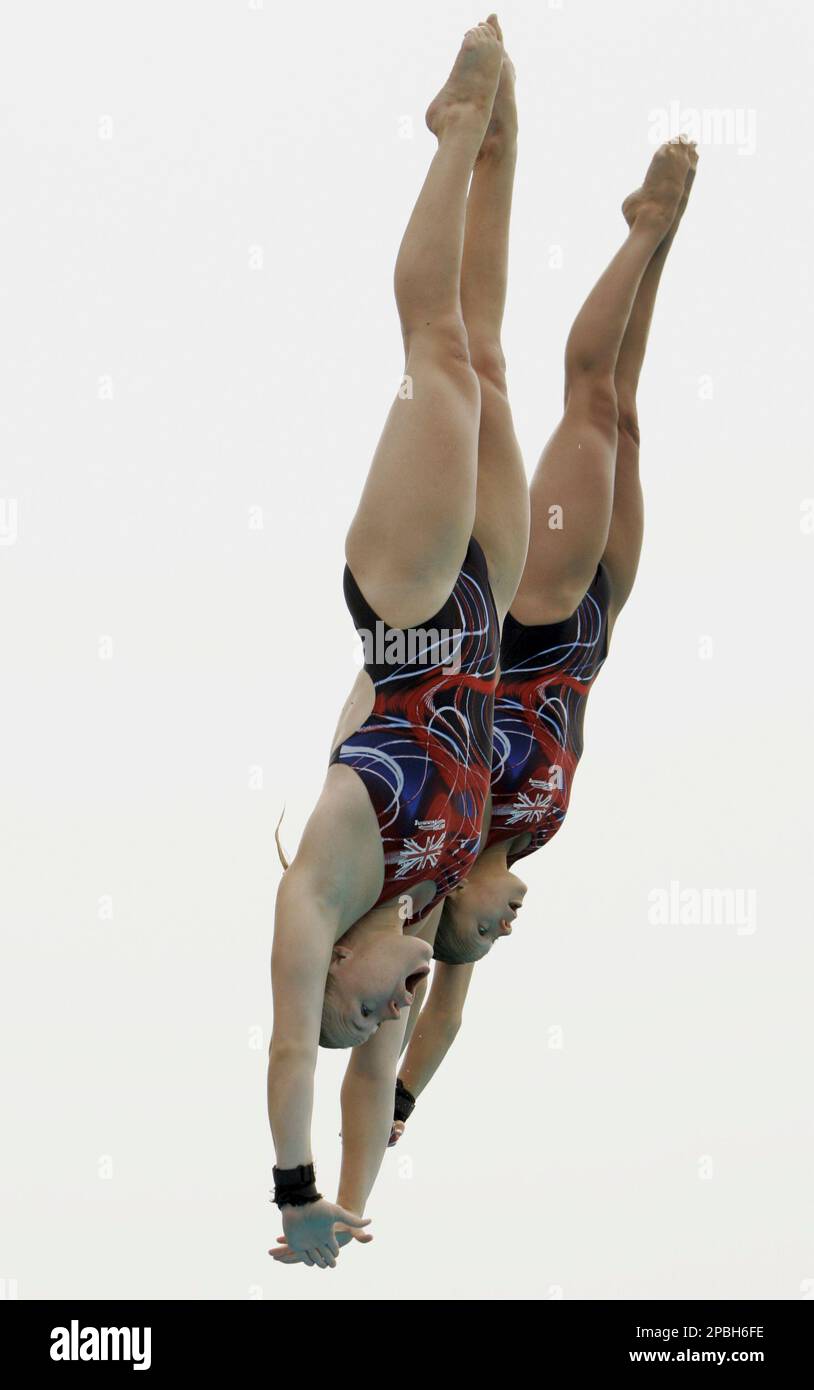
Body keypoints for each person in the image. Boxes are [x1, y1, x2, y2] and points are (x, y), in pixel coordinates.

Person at [267, 16, 529, 1270]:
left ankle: (453, 129)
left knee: (435, 355)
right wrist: (357, 1204)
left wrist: (293, 1192)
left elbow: (291, 1055)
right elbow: (376, 1079)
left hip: (411, 605)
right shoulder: (418, 902)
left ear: (337, 961)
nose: (392, 1002)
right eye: (383, 1009)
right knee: (486, 361)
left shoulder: (327, 874)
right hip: (484, 602)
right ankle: (501, 147)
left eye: (367, 999)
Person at [392, 135, 700, 1144]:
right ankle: (655, 244)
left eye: (482, 931)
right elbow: (456, 1016)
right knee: (625, 418)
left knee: (586, 393)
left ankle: (643, 230)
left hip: (537, 612)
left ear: (447, 914)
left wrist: (373, 1113)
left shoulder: (455, 834)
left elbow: (423, 1008)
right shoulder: (529, 841)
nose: (503, 929)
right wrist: (408, 1110)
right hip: (598, 621)